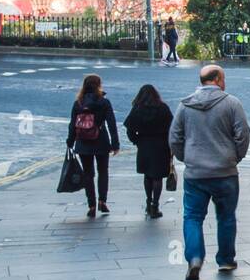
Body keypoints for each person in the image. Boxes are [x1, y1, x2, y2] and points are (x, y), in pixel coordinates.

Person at [169, 64, 250, 280]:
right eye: (223, 78)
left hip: (196, 173)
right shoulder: (232, 103)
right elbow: (242, 134)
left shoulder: (185, 106)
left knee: (193, 217)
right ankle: (225, 260)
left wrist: (186, 158)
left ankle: (195, 258)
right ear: (217, 79)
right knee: (226, 216)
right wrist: (235, 156)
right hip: (225, 171)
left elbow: (174, 138)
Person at [67, 74, 121, 218]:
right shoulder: (103, 102)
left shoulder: (78, 103)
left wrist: (70, 141)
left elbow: (73, 125)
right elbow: (111, 124)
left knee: (88, 174)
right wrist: (115, 144)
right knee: (103, 171)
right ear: (98, 85)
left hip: (83, 142)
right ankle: (102, 200)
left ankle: (91, 205)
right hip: (101, 140)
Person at [124, 84, 174, 219]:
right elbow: (172, 128)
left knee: (147, 175)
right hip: (161, 145)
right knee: (157, 177)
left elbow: (129, 129)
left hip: (144, 145)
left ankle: (148, 200)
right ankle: (155, 205)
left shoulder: (138, 109)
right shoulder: (163, 108)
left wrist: (137, 141)